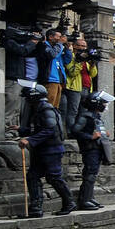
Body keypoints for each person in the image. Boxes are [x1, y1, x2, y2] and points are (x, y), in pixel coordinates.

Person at [17, 82, 75, 218]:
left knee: (54, 177)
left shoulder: (46, 109)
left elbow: (49, 129)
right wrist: (21, 130)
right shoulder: (39, 108)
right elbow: (38, 128)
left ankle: (69, 202)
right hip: (41, 150)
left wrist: (29, 140)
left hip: (51, 150)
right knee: (33, 177)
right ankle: (36, 208)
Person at [70, 90, 114, 211]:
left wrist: (104, 134)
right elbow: (75, 131)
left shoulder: (96, 116)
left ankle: (89, 197)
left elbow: (98, 130)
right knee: (89, 174)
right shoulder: (85, 116)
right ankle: (85, 200)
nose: (105, 106)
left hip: (97, 148)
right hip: (90, 149)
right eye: (103, 103)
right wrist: (90, 137)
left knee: (92, 174)